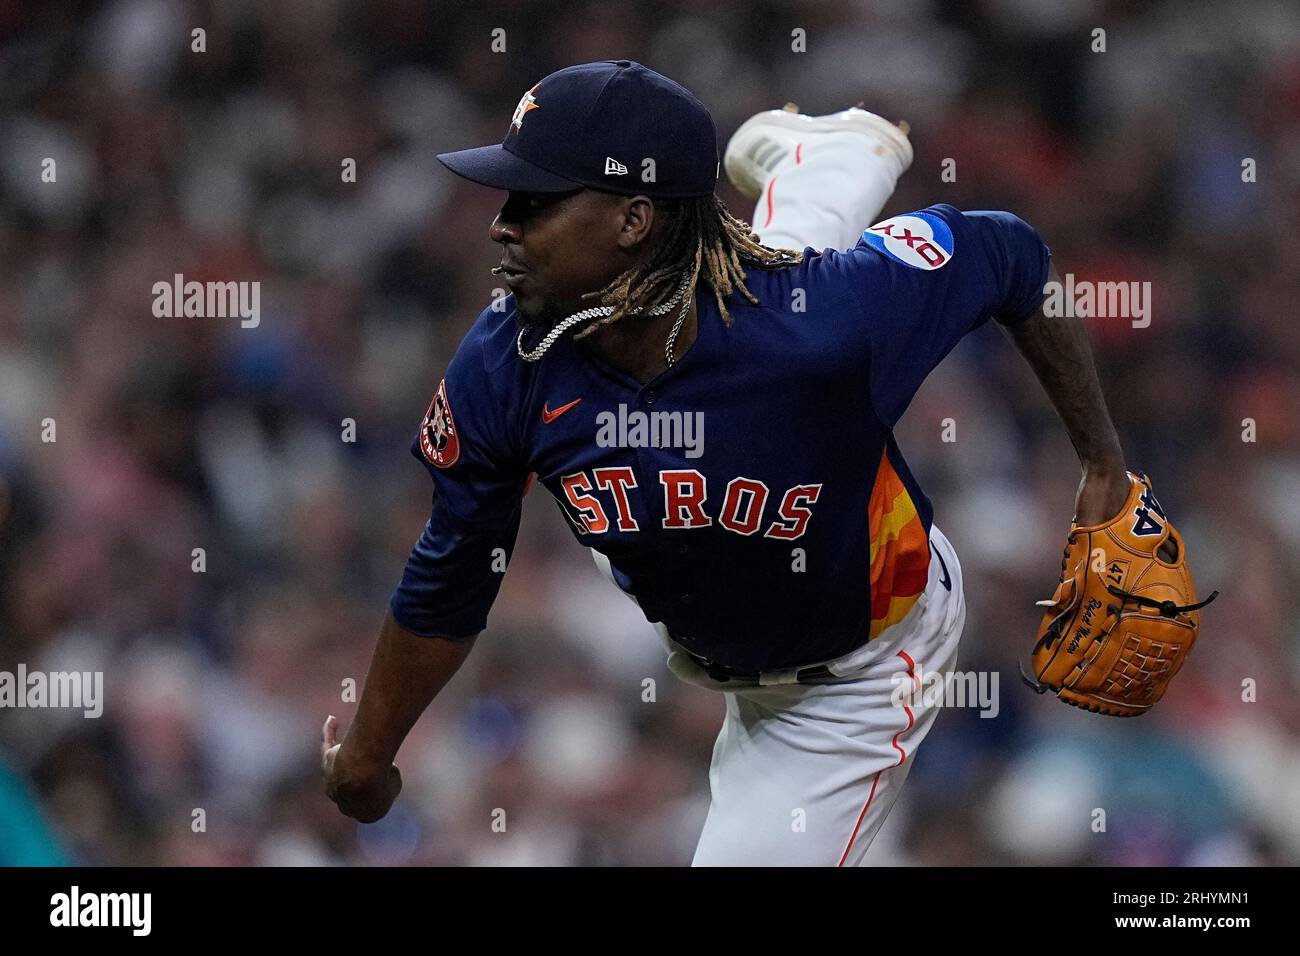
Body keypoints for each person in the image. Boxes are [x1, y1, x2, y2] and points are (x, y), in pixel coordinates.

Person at [322, 60, 1131, 866]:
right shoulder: (507, 358)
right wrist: (368, 748)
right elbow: (452, 574)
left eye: (534, 202)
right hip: (681, 533)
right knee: (761, 280)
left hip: (851, 671)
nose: (502, 223)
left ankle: (827, 166)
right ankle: (821, 161)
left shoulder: (831, 327)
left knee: (785, 297)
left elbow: (1012, 257)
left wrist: (1100, 461)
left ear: (632, 220)